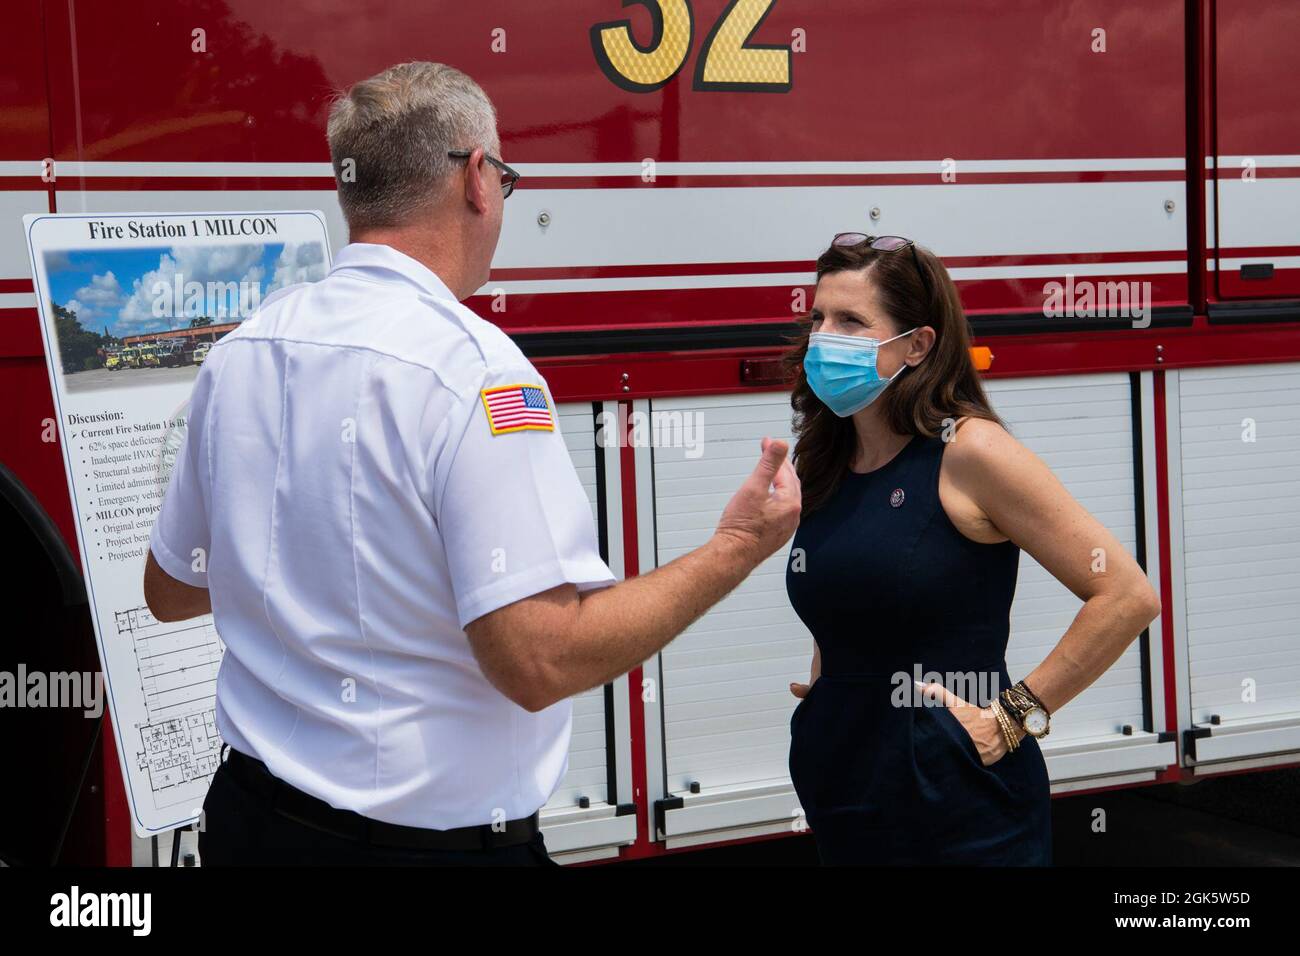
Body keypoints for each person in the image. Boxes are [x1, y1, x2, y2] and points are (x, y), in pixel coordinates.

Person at [141, 62, 800, 866]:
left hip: (252, 822)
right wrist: (736, 547)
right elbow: (538, 659)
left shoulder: (243, 352)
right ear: (479, 180)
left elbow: (169, 588)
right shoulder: (476, 369)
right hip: (422, 850)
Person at [784, 233, 1161, 865]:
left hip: (959, 802)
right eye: (818, 317)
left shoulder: (970, 452)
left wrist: (1013, 717)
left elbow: (1126, 595)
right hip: (845, 791)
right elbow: (850, 589)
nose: (824, 337)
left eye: (851, 320)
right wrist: (833, 686)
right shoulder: (825, 460)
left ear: (917, 344)